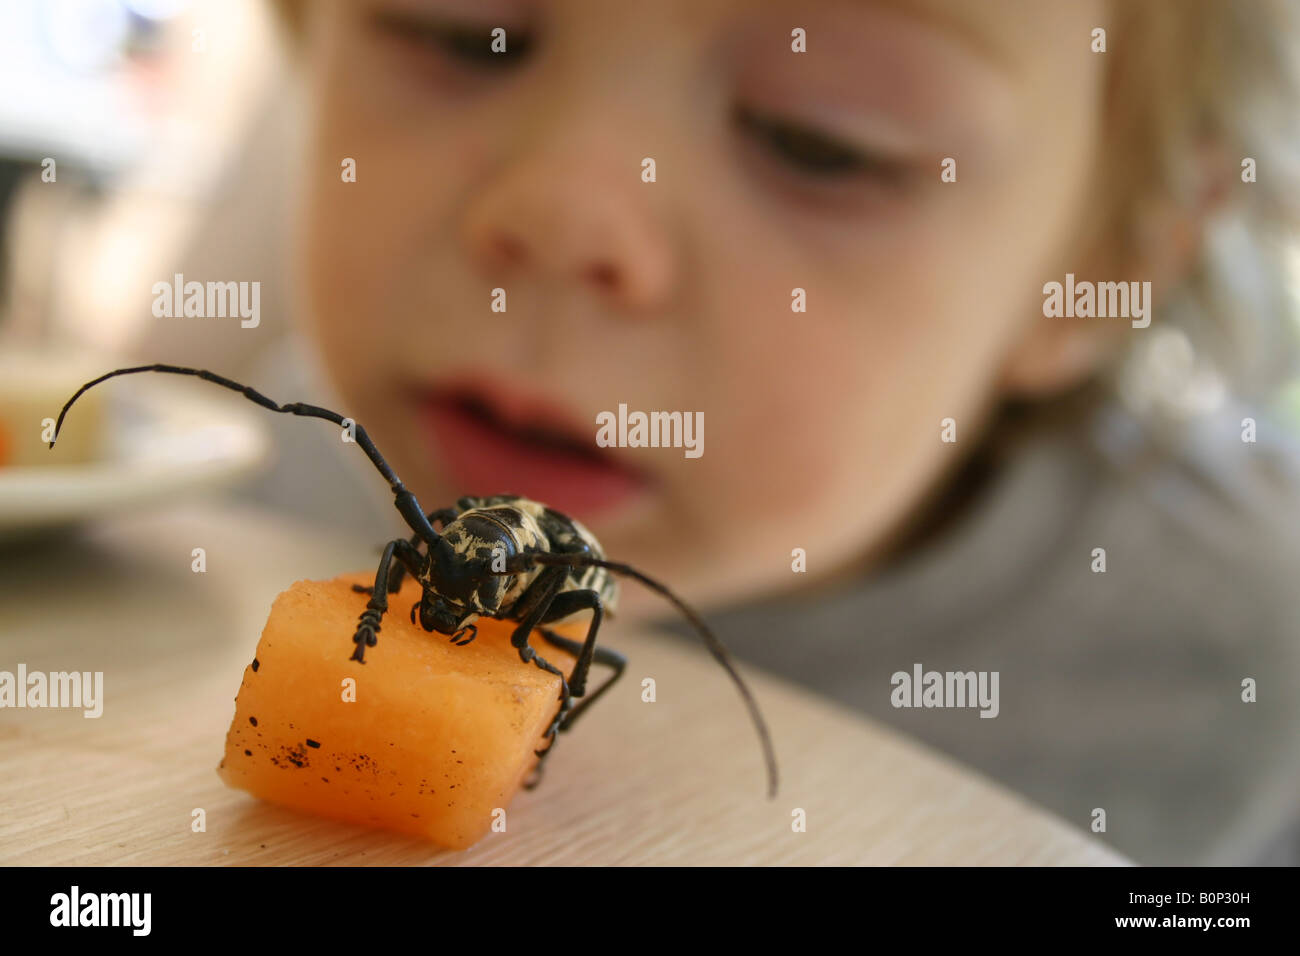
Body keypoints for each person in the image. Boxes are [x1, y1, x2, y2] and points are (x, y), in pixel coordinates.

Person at [267, 0, 1300, 864]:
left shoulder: (1233, 660)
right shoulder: (267, 467)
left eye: (820, 138)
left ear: (1104, 267)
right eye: (456, 30)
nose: (563, 212)